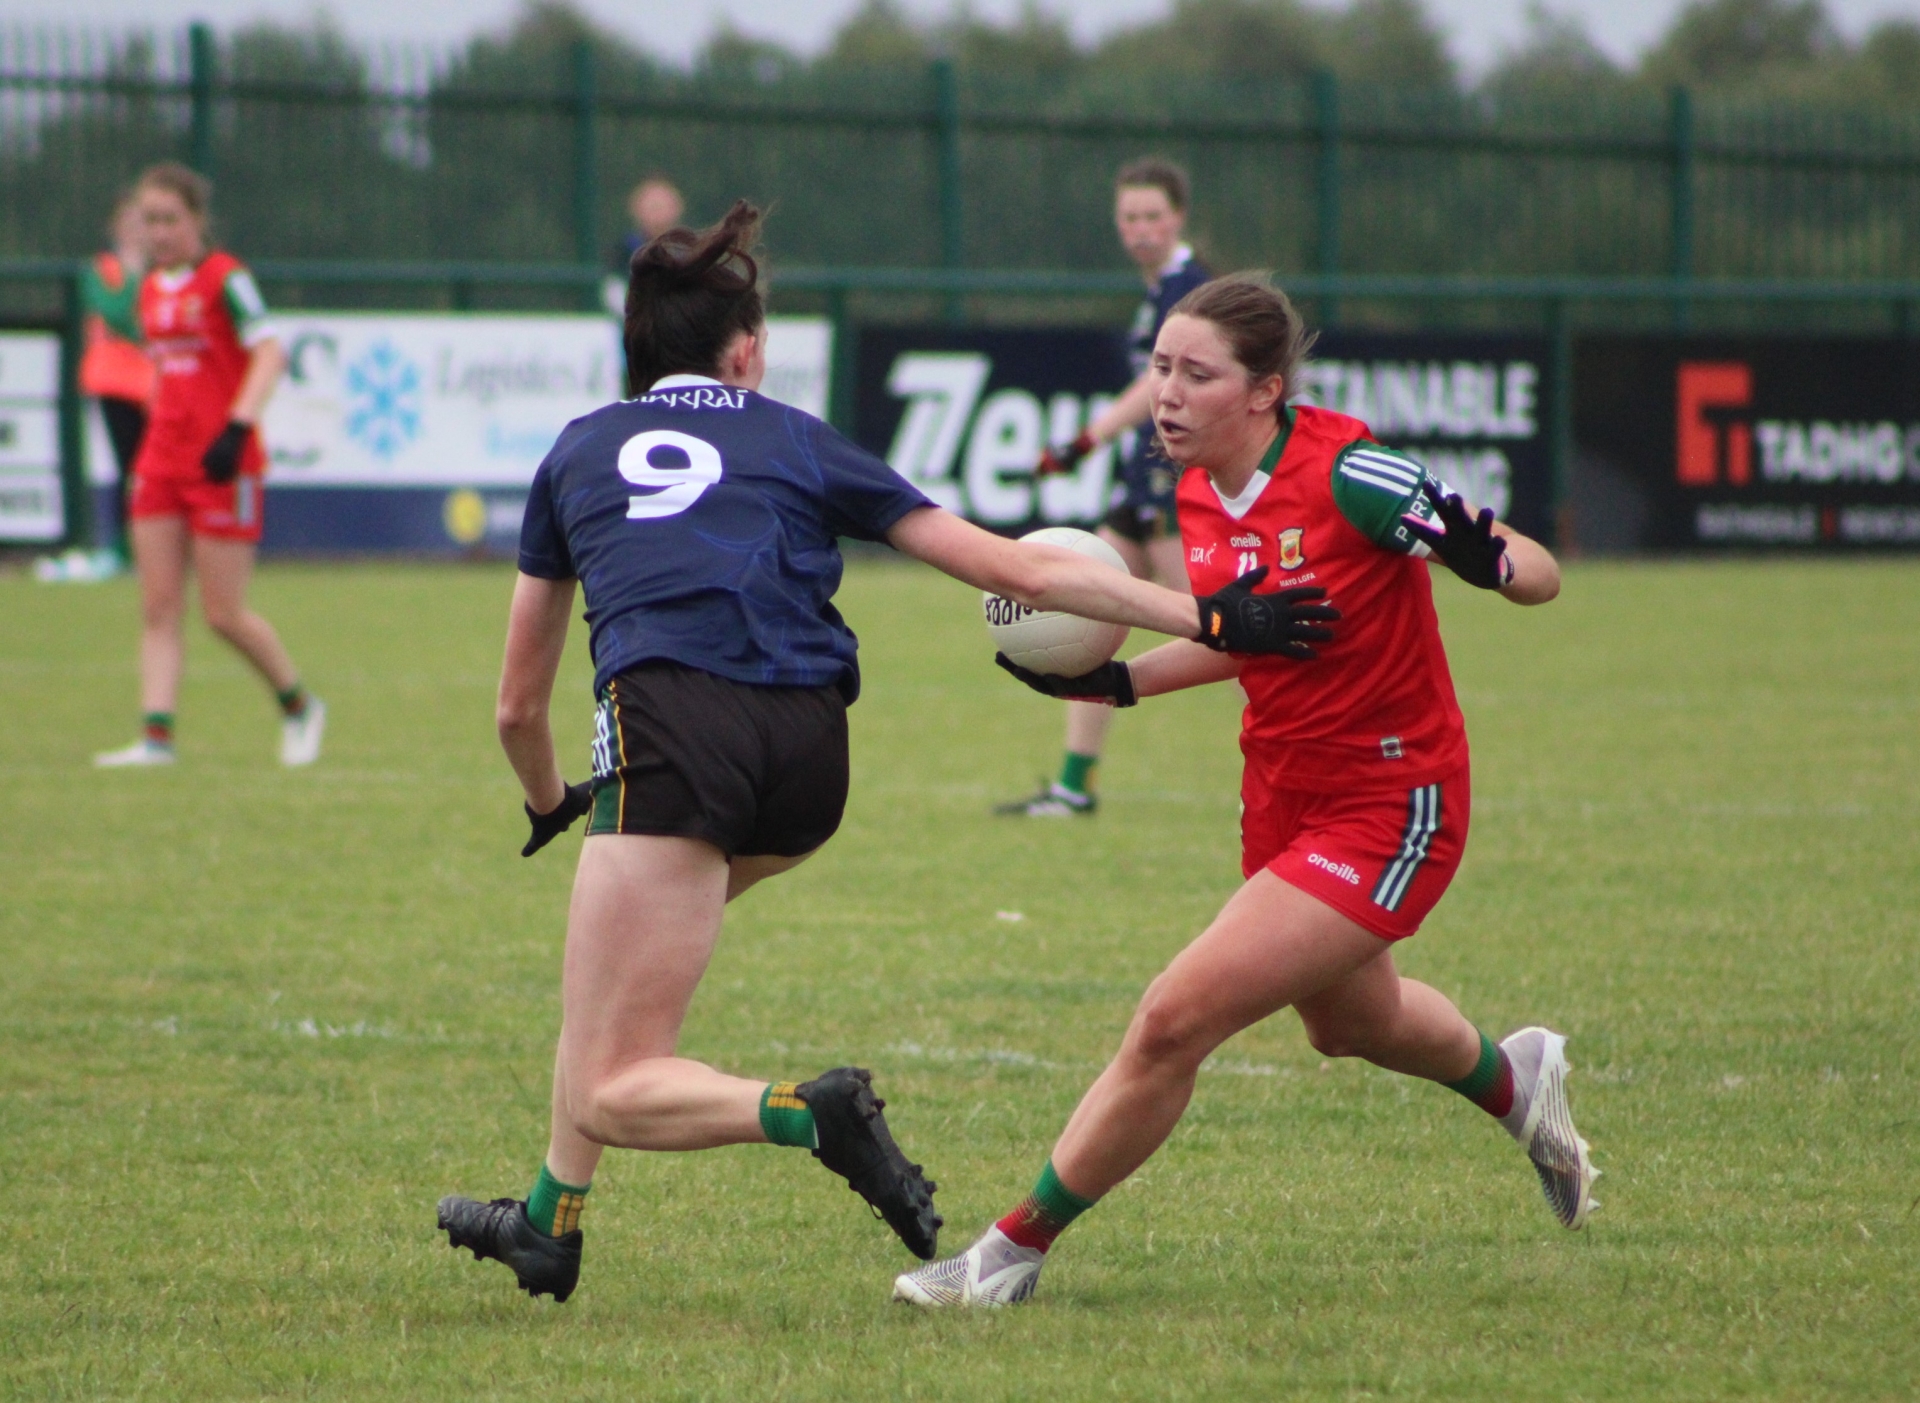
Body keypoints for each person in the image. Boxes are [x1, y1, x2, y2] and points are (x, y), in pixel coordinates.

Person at [434, 205, 1332, 1305]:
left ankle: (808, 1111)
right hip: (813, 759)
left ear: (632, 349)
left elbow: (516, 702)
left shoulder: (578, 449)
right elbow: (1023, 571)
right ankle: (546, 1222)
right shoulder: (800, 436)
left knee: (616, 1080)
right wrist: (1215, 616)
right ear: (747, 351)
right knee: (604, 984)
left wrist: (547, 800)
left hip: (676, 734)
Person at [896, 276, 1597, 1310]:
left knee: (1173, 1017)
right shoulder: (1200, 485)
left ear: (1264, 391)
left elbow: (1538, 574)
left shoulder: (1352, 474)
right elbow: (1257, 637)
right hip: (1282, 787)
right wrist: (1116, 679)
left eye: (1196, 374)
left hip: (1391, 800)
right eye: (1161, 368)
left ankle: (1005, 1255)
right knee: (1350, 1023)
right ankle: (1517, 1078)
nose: (1168, 394)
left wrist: (1477, 548)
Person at [996, 157, 1211, 818]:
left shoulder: (1187, 286)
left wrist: (1083, 440)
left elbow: (1157, 388)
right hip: (1141, 476)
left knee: (1224, 631)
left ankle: (1305, 758)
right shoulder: (1158, 288)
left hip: (1174, 478)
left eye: (1152, 216)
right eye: (1129, 217)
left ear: (1177, 216)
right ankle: (1071, 786)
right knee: (1086, 612)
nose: (1140, 229)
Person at [92, 163, 325, 770]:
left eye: (171, 219)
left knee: (222, 613)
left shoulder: (227, 279)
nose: (160, 232)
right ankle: (156, 738)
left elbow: (269, 354)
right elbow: (169, 372)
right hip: (161, 461)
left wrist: (235, 427)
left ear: (197, 221)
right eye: (150, 221)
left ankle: (300, 706)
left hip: (224, 462)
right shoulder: (147, 290)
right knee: (158, 606)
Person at [38, 193, 154, 584]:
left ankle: (152, 548)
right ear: (116, 229)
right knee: (130, 465)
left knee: (152, 469)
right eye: (133, 224)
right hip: (115, 381)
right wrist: (136, 279)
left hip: (154, 384)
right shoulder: (102, 270)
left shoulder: (161, 272)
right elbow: (117, 311)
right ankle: (123, 548)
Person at [602, 176, 687, 318]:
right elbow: (613, 290)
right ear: (636, 210)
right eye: (653, 207)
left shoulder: (691, 250)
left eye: (663, 206)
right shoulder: (625, 250)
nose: (658, 214)